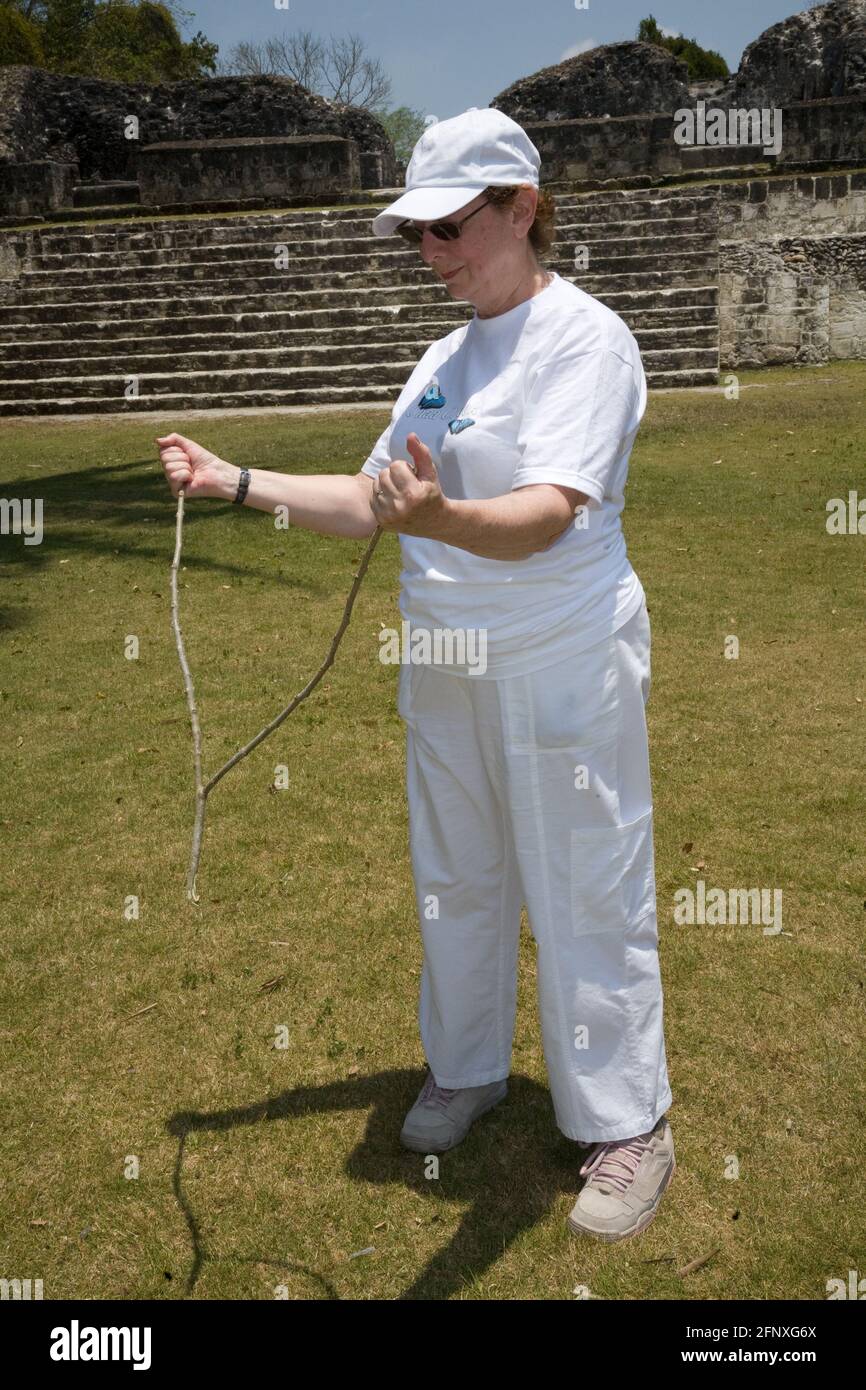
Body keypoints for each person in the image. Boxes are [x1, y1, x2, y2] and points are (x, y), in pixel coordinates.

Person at [157, 107, 675, 1243]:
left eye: (449, 227)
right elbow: (364, 501)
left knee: (585, 882)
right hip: (444, 658)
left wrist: (440, 513)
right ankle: (468, 1066)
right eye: (416, 235)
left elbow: (545, 514)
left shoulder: (585, 340)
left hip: (558, 657)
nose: (432, 252)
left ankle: (626, 1118)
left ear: (521, 209)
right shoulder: (440, 360)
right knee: (458, 872)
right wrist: (232, 477)